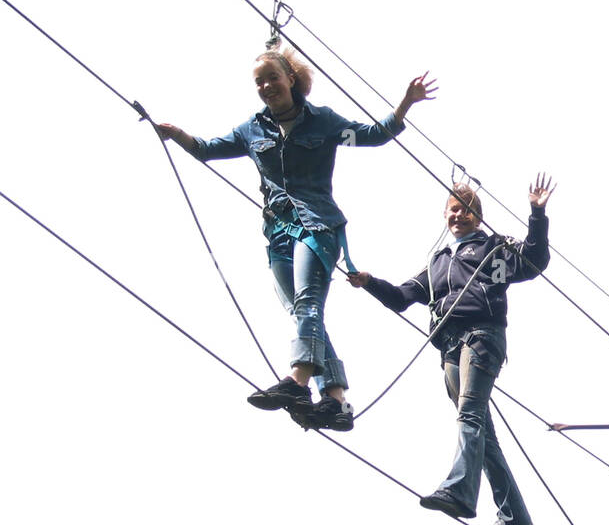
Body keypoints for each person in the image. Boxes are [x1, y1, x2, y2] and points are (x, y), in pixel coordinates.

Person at [154, 48, 434, 431]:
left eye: (272, 78)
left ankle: (298, 382)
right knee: (304, 313)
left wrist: (405, 103)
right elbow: (206, 149)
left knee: (307, 304)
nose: (266, 87)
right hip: (278, 234)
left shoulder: (323, 122)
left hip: (318, 226)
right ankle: (334, 398)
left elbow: (375, 135)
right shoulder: (252, 130)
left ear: (290, 78)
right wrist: (176, 135)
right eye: (259, 82)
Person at [347, 176, 554, 525]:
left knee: (469, 415)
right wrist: (369, 282)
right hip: (450, 346)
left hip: (482, 336)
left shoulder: (492, 251)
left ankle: (460, 490)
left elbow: (534, 261)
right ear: (445, 215)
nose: (459, 215)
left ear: (478, 217)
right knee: (483, 436)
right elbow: (400, 297)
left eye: (467, 210)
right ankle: (515, 519)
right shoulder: (439, 262)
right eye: (454, 209)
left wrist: (537, 214)